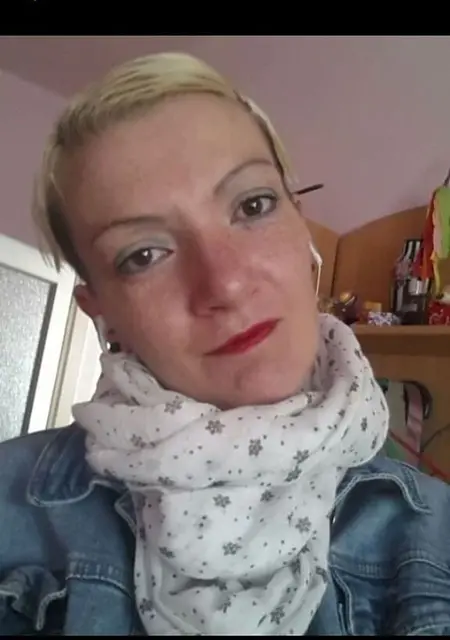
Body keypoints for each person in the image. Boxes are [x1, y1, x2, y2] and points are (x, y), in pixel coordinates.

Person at [1, 52, 450, 637]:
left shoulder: (436, 536)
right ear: (103, 313)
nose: (226, 283)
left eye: (253, 205)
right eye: (144, 255)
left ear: (300, 225)